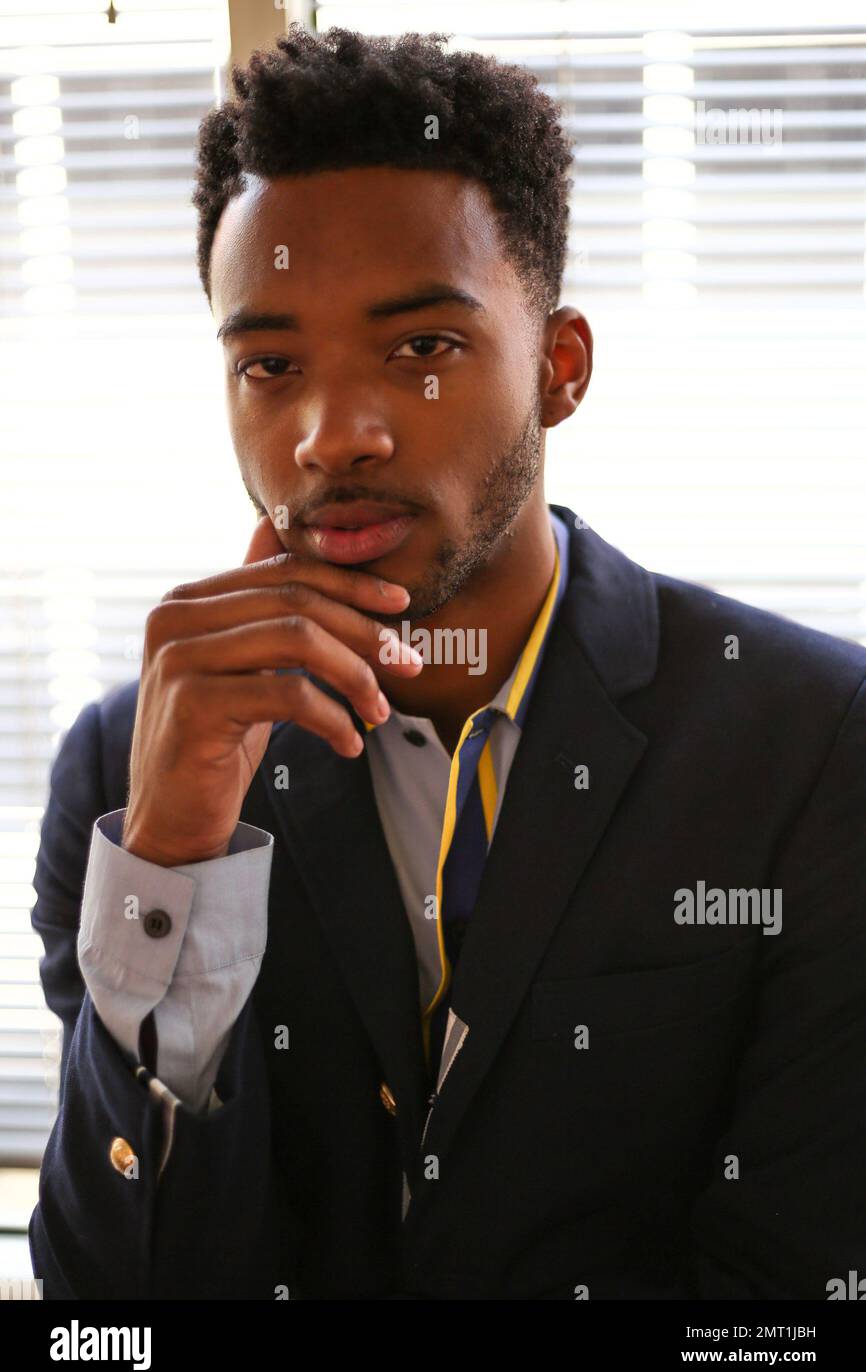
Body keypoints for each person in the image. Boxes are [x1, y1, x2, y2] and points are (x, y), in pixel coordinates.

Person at [29, 25, 866, 1300]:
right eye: (269, 363)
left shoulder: (810, 741)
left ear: (560, 369)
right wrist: (175, 870)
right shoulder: (127, 775)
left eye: (420, 349)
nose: (331, 435)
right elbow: (109, 1309)